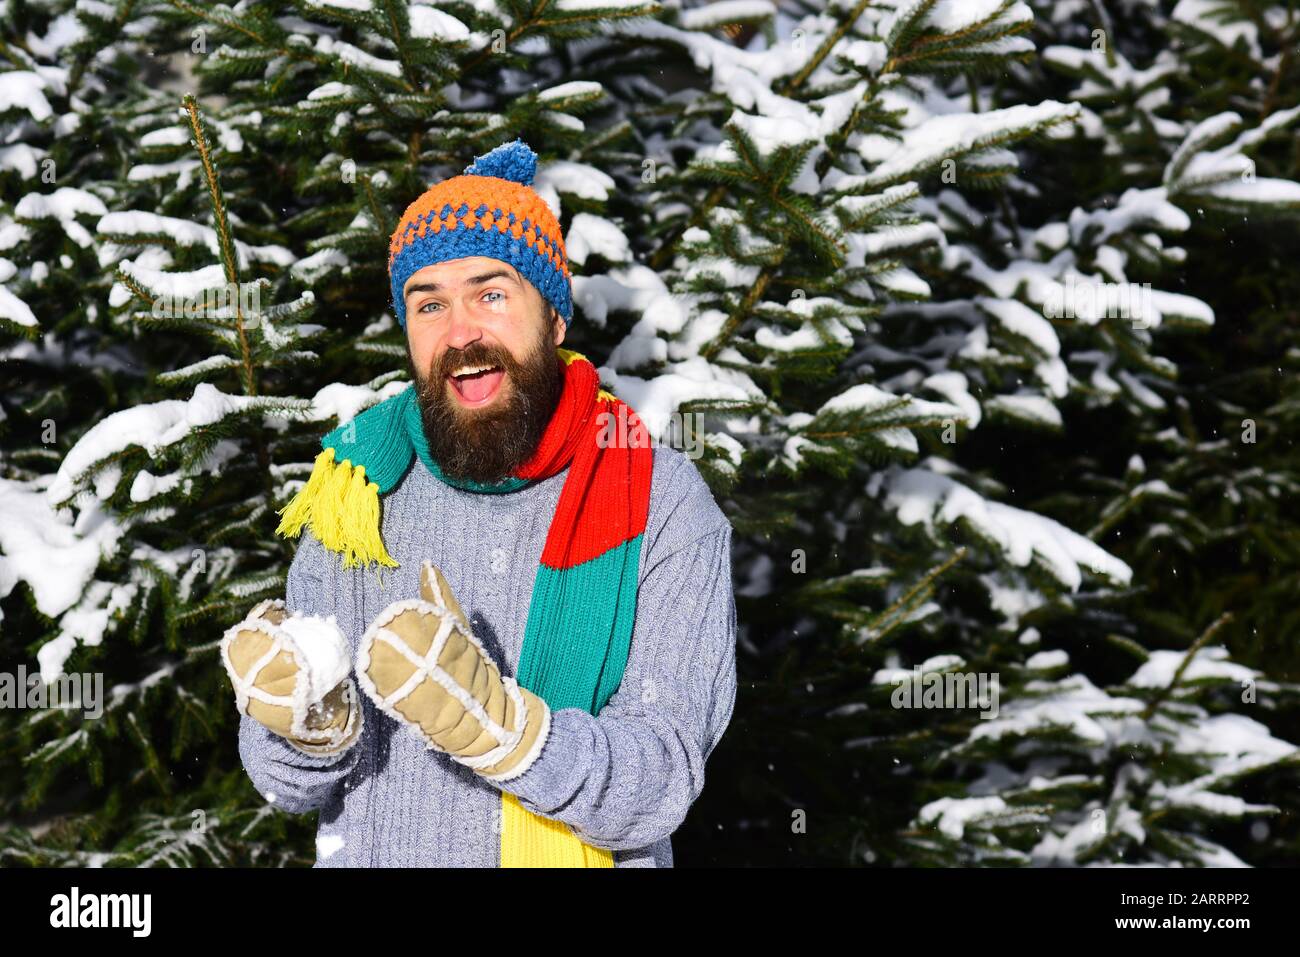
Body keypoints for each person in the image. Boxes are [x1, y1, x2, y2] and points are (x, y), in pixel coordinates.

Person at [220, 139, 738, 867]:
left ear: (555, 319)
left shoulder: (662, 500)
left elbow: (662, 777)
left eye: (490, 294)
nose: (460, 332)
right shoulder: (359, 488)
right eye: (429, 304)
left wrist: (512, 734)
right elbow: (287, 785)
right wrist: (308, 725)